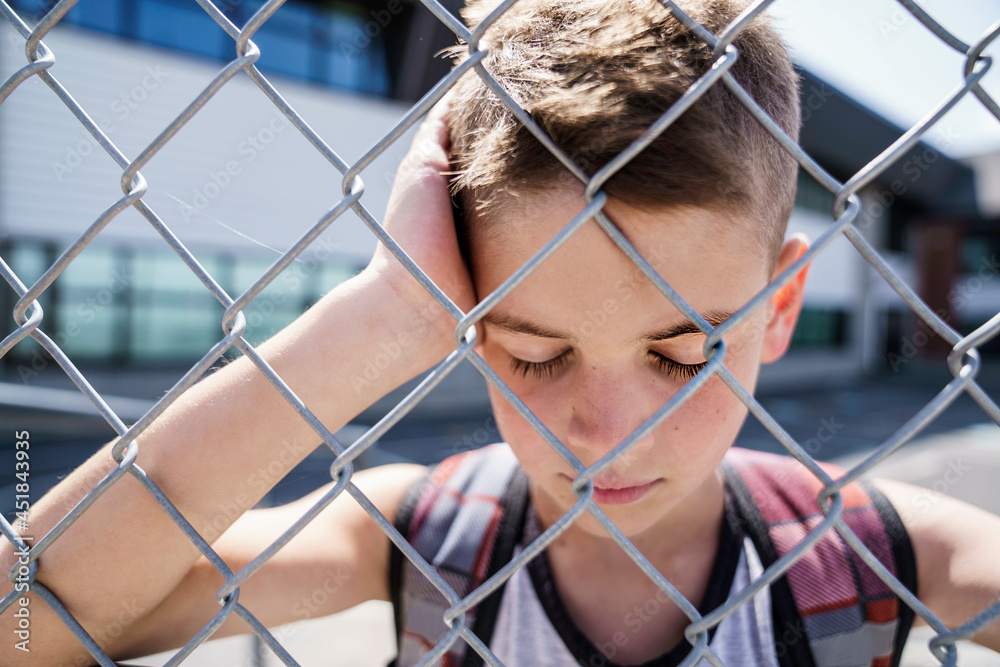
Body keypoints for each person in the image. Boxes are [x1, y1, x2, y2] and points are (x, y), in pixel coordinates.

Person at [3, 0, 999, 665]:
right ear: (469, 321)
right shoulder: (432, 541)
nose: (604, 427)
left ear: (778, 309)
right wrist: (382, 318)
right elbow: (24, 617)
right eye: (532, 350)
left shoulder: (866, 558)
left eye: (681, 351)